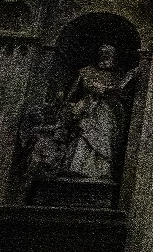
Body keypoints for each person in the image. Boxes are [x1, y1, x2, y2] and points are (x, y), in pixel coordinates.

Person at [60, 45, 140, 180]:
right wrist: (67, 105)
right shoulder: (85, 72)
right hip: (88, 109)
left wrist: (127, 79)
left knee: (104, 137)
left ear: (114, 57)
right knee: (84, 135)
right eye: (102, 54)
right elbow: (73, 92)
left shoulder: (117, 75)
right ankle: (77, 168)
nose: (105, 56)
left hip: (108, 111)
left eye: (109, 54)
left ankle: (101, 171)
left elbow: (122, 94)